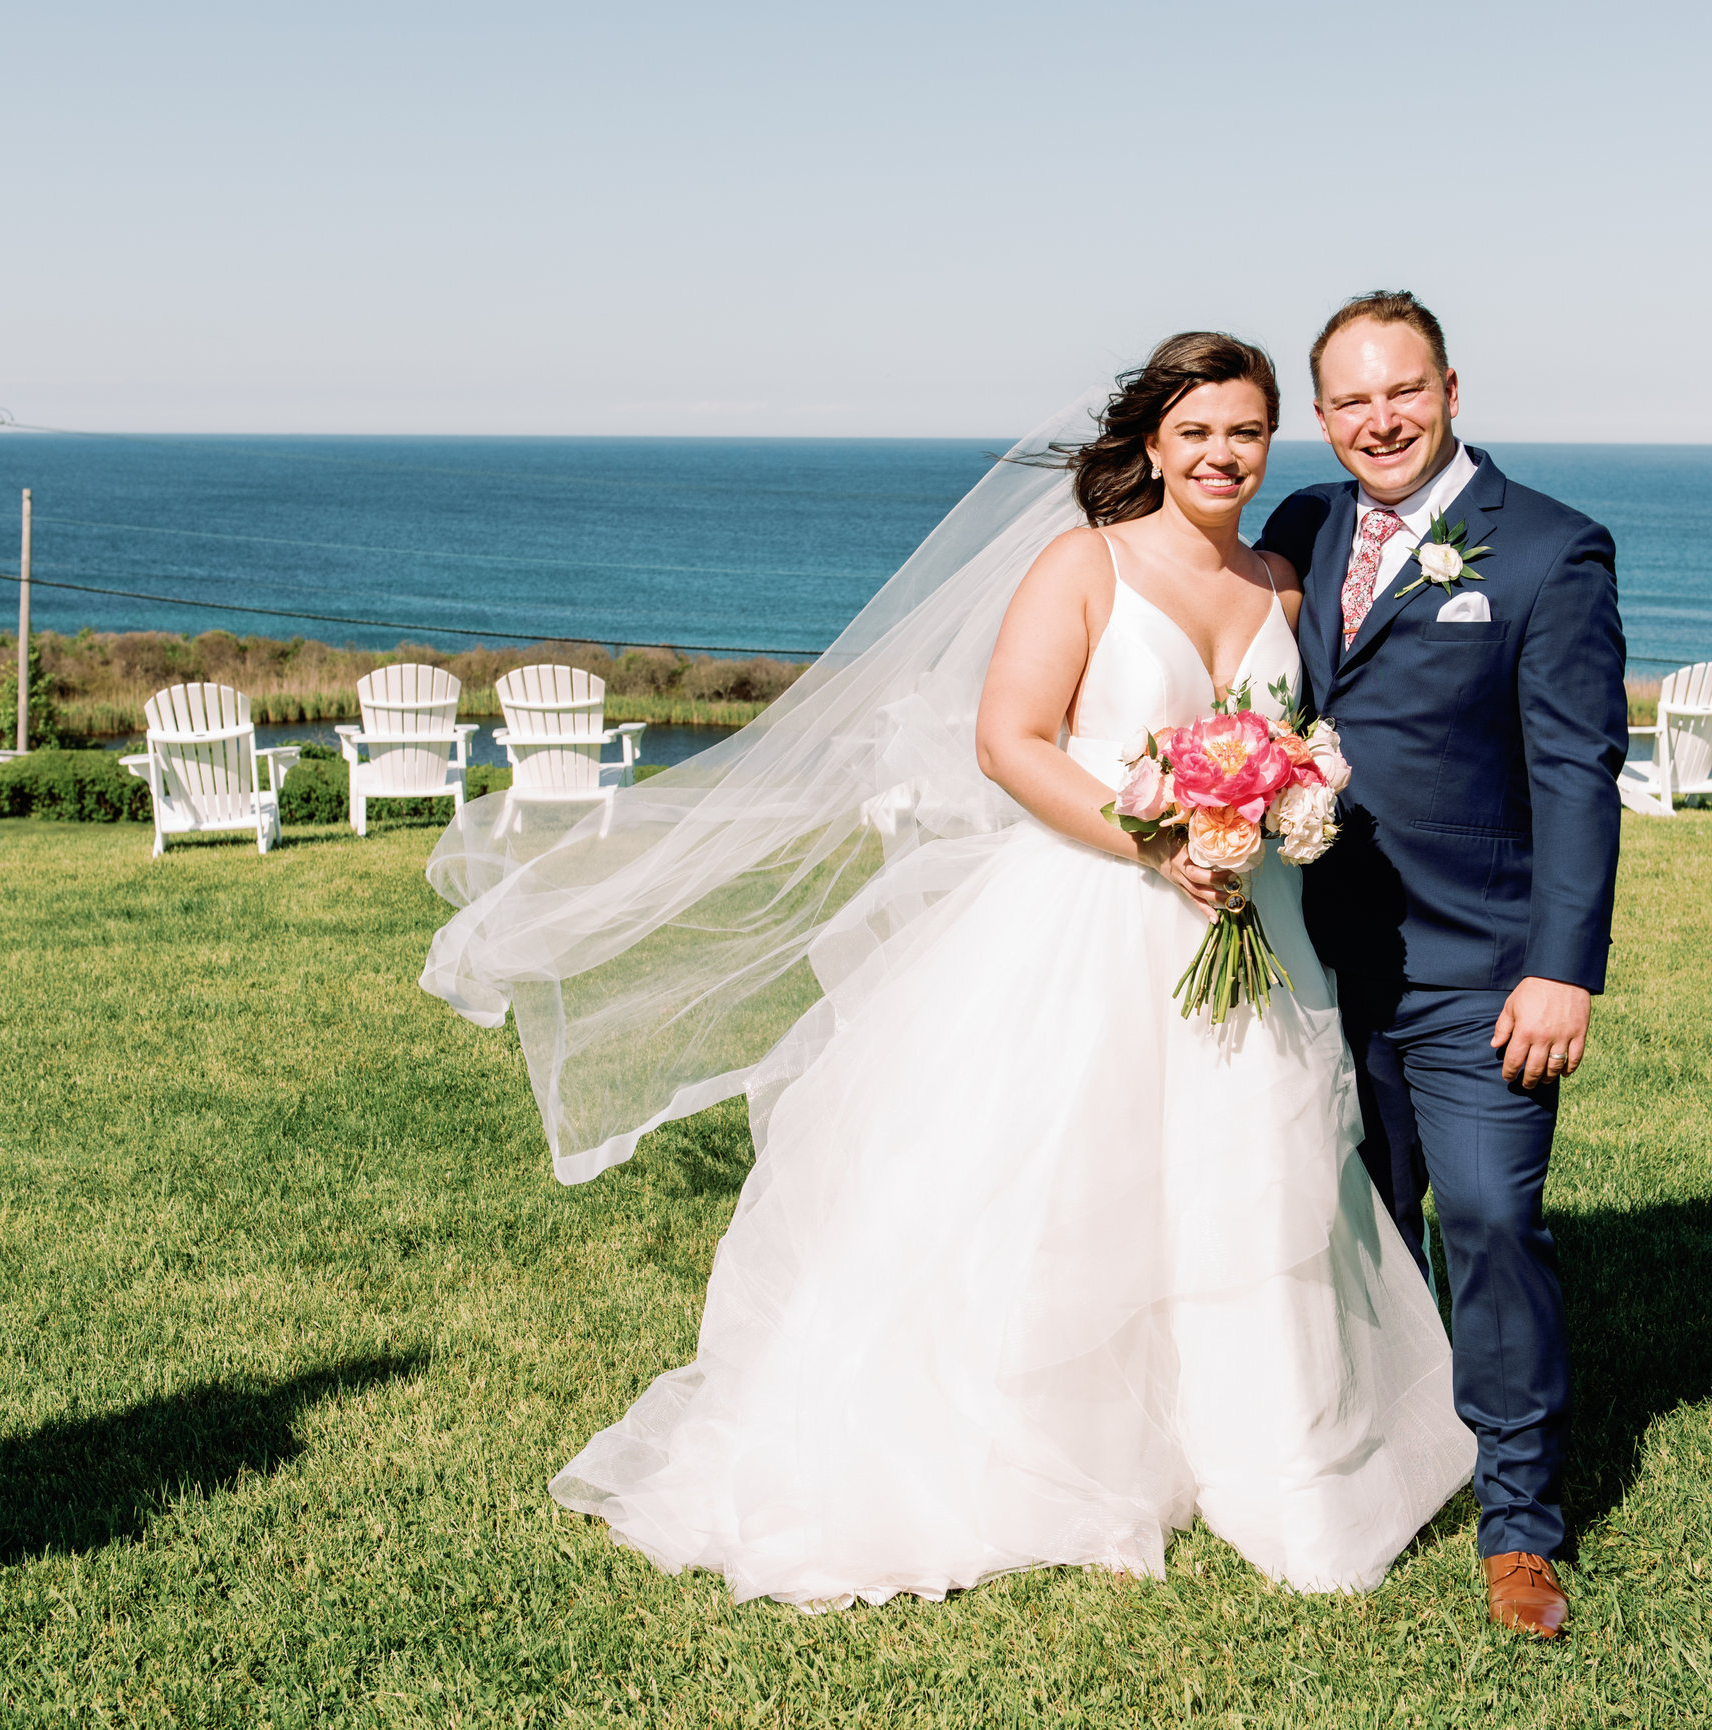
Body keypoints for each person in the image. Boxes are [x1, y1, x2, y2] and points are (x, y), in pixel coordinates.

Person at [434, 334, 1475, 1609]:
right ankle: (1055, 1447)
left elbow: (1287, 739)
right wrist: (1159, 841)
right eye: (1196, 430)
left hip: (1250, 930)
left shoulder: (1280, 586)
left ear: (1273, 443)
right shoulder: (1081, 564)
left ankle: (1259, 1441)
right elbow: (1010, 741)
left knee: (1246, 1169)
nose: (1221, 454)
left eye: (1247, 432)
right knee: (1067, 1175)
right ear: (1152, 440)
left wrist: (1264, 821)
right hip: (1092, 916)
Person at [1257, 292, 1629, 1639]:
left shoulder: (1547, 552)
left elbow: (1579, 774)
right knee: (1352, 1219)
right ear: (1323, 414)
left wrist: (1563, 966)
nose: (1381, 420)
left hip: (1483, 968)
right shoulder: (1301, 527)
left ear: (1452, 387)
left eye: (1402, 391)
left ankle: (1521, 1522)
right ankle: (1387, 1458)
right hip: (1315, 952)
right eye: (1352, 401)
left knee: (1485, 1221)